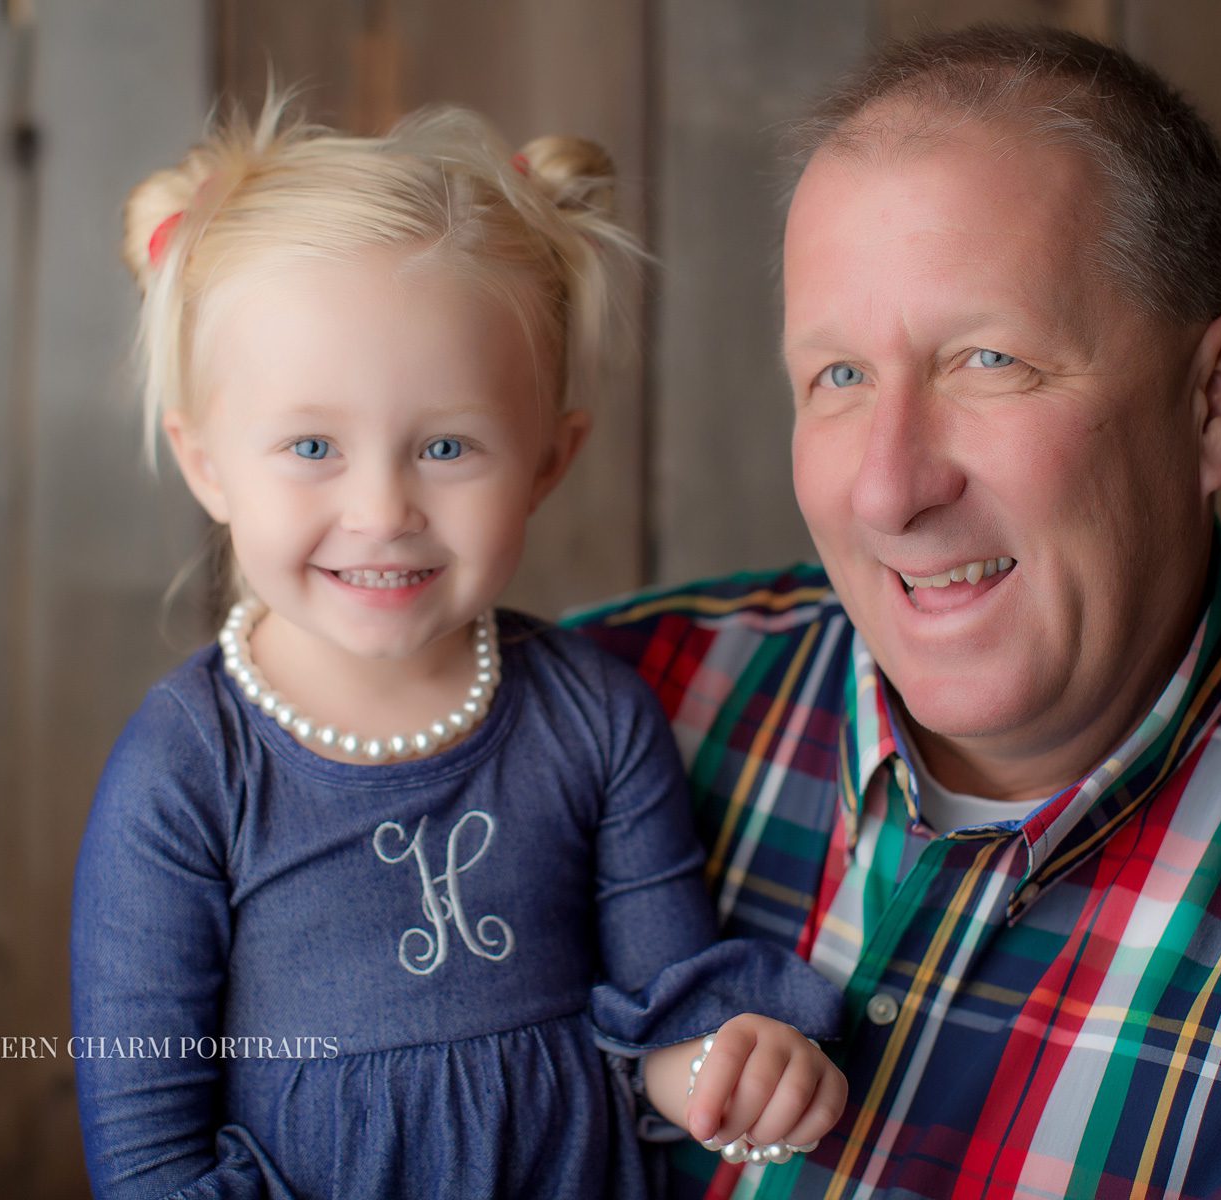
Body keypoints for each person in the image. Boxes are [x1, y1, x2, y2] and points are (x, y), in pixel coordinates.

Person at [570, 26, 1221, 1199]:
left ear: (1216, 402)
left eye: (988, 360)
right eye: (837, 377)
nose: (890, 488)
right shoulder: (602, 713)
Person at [69, 99, 847, 1199]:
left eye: (446, 445)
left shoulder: (596, 720)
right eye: (311, 446)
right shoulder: (188, 769)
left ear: (546, 460)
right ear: (205, 463)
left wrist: (728, 1072)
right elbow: (147, 1149)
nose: (383, 508)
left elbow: (664, 1011)